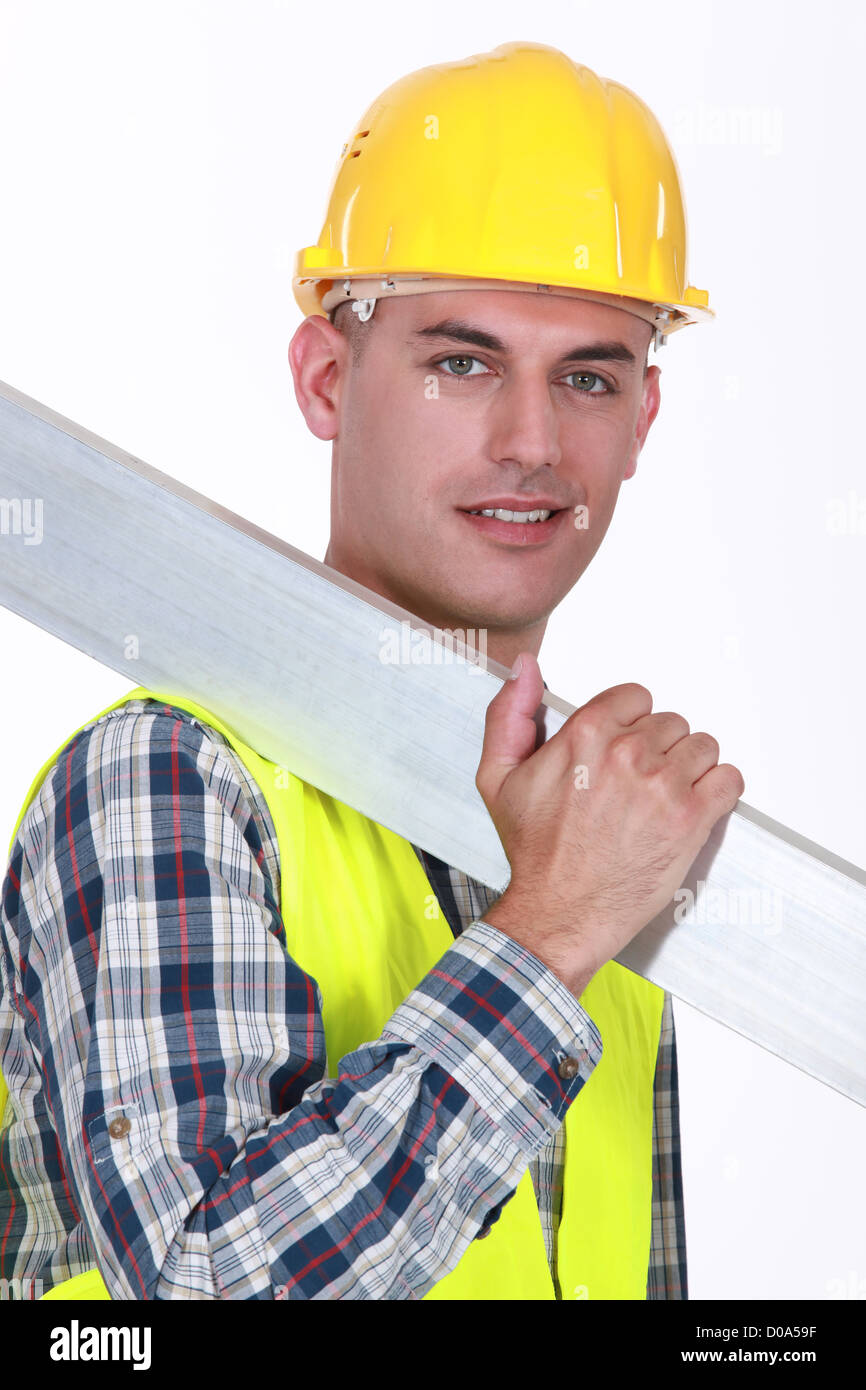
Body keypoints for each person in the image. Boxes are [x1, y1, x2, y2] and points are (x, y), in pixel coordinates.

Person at [0, 41, 743, 1300]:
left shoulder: (611, 864)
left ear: (642, 424)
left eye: (588, 378)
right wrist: (547, 935)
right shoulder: (166, 781)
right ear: (327, 377)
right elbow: (199, 1289)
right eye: (462, 361)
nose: (531, 442)